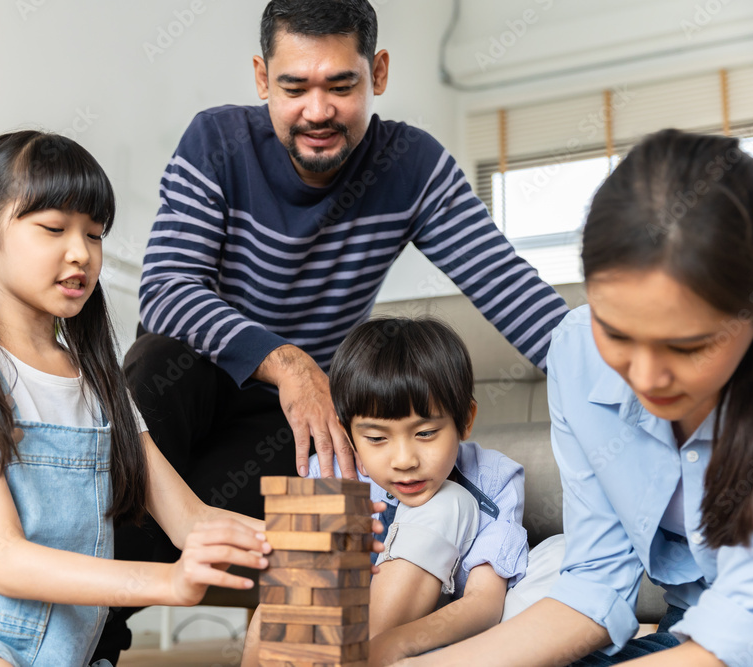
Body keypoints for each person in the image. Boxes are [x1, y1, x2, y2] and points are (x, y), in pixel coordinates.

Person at [102, 0, 567, 657]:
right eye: (294, 86)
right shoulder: (216, 143)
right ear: (263, 79)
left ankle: (92, 629)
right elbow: (167, 292)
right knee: (156, 360)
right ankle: (91, 635)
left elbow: (514, 292)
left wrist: (632, 375)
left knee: (311, 490)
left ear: (376, 71)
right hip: (186, 397)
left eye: (341, 85)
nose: (317, 110)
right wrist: (287, 362)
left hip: (292, 434)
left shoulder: (412, 166)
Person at [0, 131, 272, 667]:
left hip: (64, 649)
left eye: (94, 235)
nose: (80, 253)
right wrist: (169, 581)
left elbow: (191, 521)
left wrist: (313, 541)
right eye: (53, 228)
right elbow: (3, 559)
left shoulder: (101, 385)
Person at [396, 130, 753, 666]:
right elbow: (595, 583)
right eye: (617, 334)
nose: (647, 377)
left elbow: (739, 638)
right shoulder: (576, 351)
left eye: (687, 346)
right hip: (692, 636)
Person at [241, 317, 536, 666]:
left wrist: (394, 645)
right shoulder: (330, 473)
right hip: (332, 643)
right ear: (348, 434)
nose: (404, 460)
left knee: (451, 501)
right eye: (377, 438)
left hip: (429, 647)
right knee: (282, 600)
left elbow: (484, 602)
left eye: (425, 433)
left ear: (465, 420)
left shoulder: (494, 477)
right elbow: (296, 601)